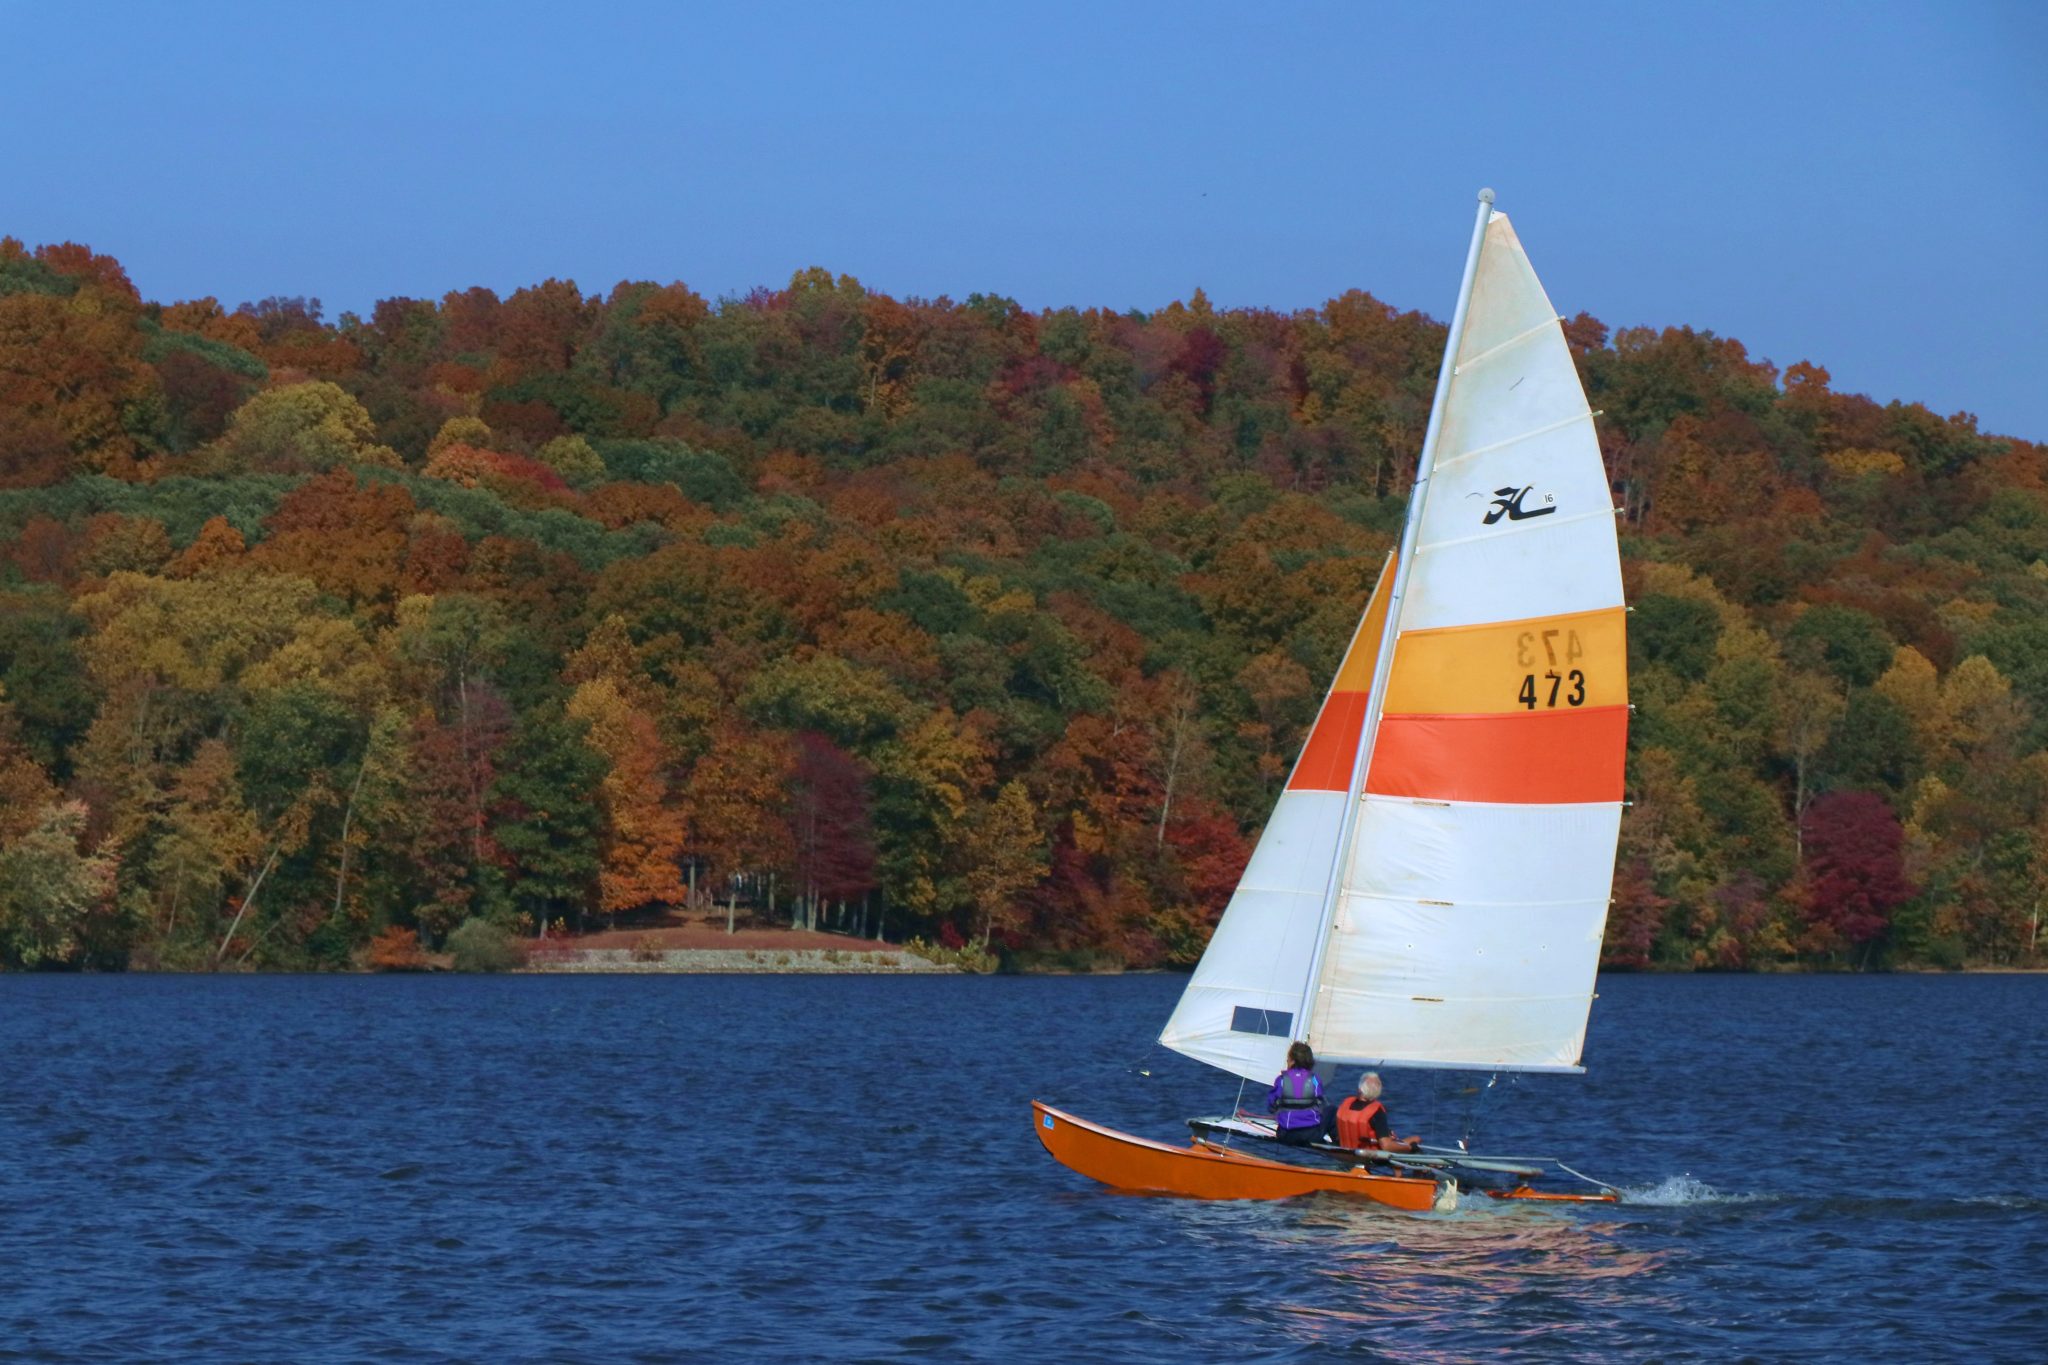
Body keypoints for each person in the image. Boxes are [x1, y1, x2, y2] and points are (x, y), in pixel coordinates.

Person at [1266, 1041, 1333, 1147]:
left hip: (1286, 1135)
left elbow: (1271, 1106)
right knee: (1332, 1111)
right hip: (1310, 1135)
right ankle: (1339, 1146)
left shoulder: (1282, 1080)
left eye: (1288, 1058)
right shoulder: (1314, 1080)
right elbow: (1322, 1104)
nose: (1287, 1061)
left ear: (1293, 1061)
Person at [1333, 1072, 1420, 1153]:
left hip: (1346, 1153)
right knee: (1416, 1139)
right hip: (1371, 1155)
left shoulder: (1346, 1104)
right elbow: (1386, 1146)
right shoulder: (1376, 1111)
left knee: (1398, 1137)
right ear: (1378, 1091)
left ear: (1359, 1089)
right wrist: (1410, 1148)